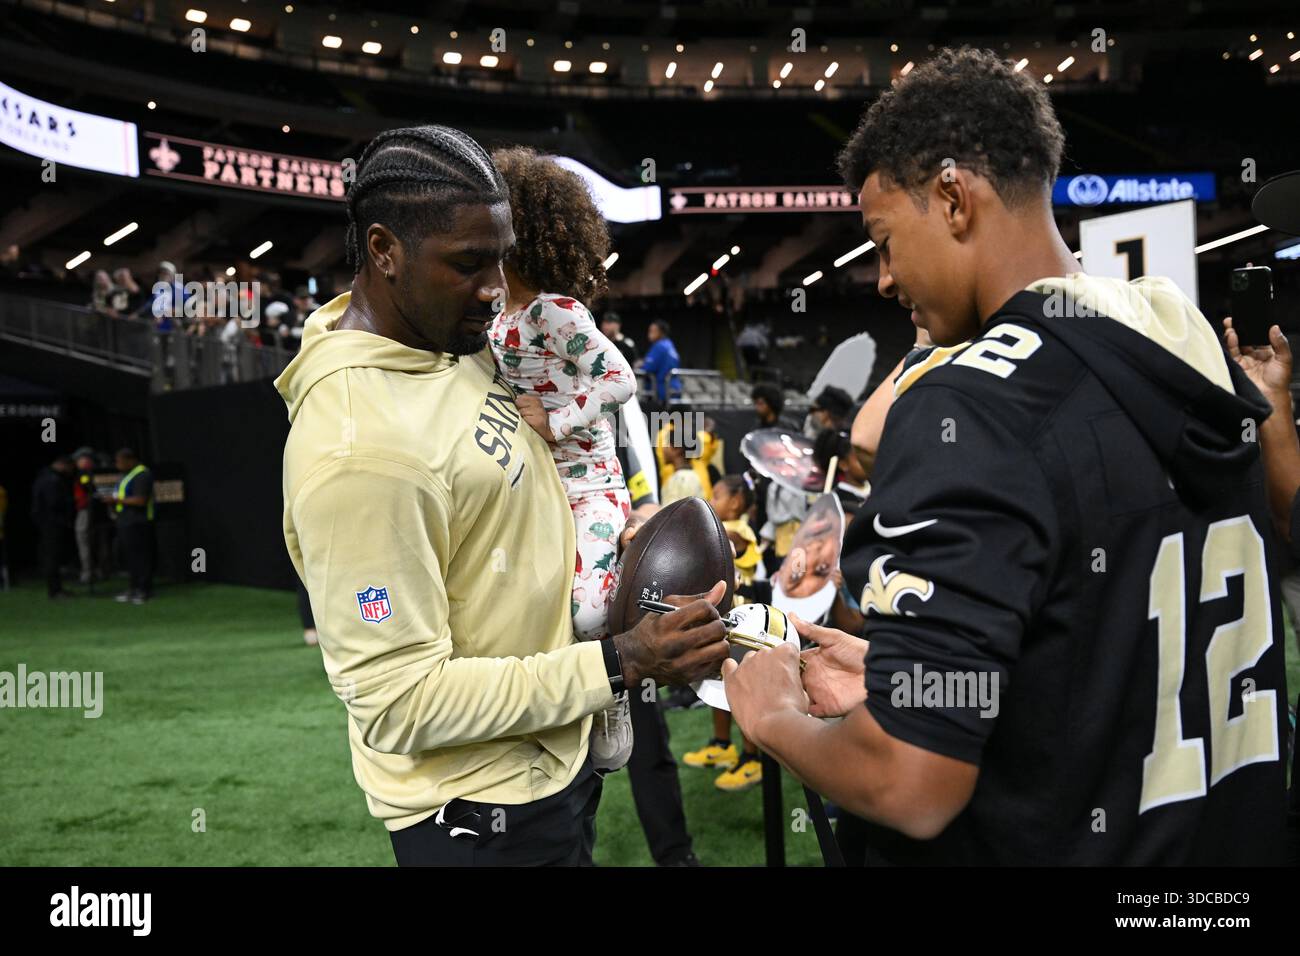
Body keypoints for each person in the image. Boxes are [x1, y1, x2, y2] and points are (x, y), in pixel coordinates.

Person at [723, 47, 1288, 865]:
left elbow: (911, 783)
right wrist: (909, 667)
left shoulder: (970, 406)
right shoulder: (1180, 339)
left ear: (953, 198)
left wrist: (772, 714)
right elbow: (1103, 642)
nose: (883, 278)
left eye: (884, 240)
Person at [275, 124, 728, 867]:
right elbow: (400, 703)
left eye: (500, 259)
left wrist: (614, 526)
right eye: (468, 264)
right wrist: (618, 663)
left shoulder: (442, 338)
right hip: (483, 811)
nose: (495, 288)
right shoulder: (361, 453)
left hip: (554, 758)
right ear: (383, 251)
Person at [489, 146, 639, 772]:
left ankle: (615, 692)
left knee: (589, 610)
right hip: (533, 492)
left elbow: (618, 379)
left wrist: (556, 419)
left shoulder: (556, 312)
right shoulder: (494, 315)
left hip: (591, 488)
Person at [684, 475, 765, 791]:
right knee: (717, 685)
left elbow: (729, 540)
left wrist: (700, 525)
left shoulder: (741, 532)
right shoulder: (717, 531)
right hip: (721, 624)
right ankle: (721, 745)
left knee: (743, 690)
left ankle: (752, 758)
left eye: (716, 496)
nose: (711, 499)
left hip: (743, 628)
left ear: (735, 502)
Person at [112, 448, 154, 604]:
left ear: (130, 460)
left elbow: (140, 500)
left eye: (119, 461)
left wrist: (115, 501)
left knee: (141, 557)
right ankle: (133, 587)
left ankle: (144, 590)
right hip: (126, 521)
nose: (117, 465)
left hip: (139, 522)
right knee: (130, 557)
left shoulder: (142, 474)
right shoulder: (127, 475)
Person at [31, 456, 74, 599]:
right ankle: (54, 591)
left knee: (52, 556)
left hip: (47, 522)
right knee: (52, 557)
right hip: (52, 523)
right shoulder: (52, 480)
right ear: (62, 464)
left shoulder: (44, 476)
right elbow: (54, 503)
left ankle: (57, 588)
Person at [639, 318, 680, 405]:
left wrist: (641, 364)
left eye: (652, 331)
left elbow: (648, 367)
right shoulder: (669, 344)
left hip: (662, 392)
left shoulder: (659, 346)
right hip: (674, 389)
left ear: (661, 332)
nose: (649, 334)